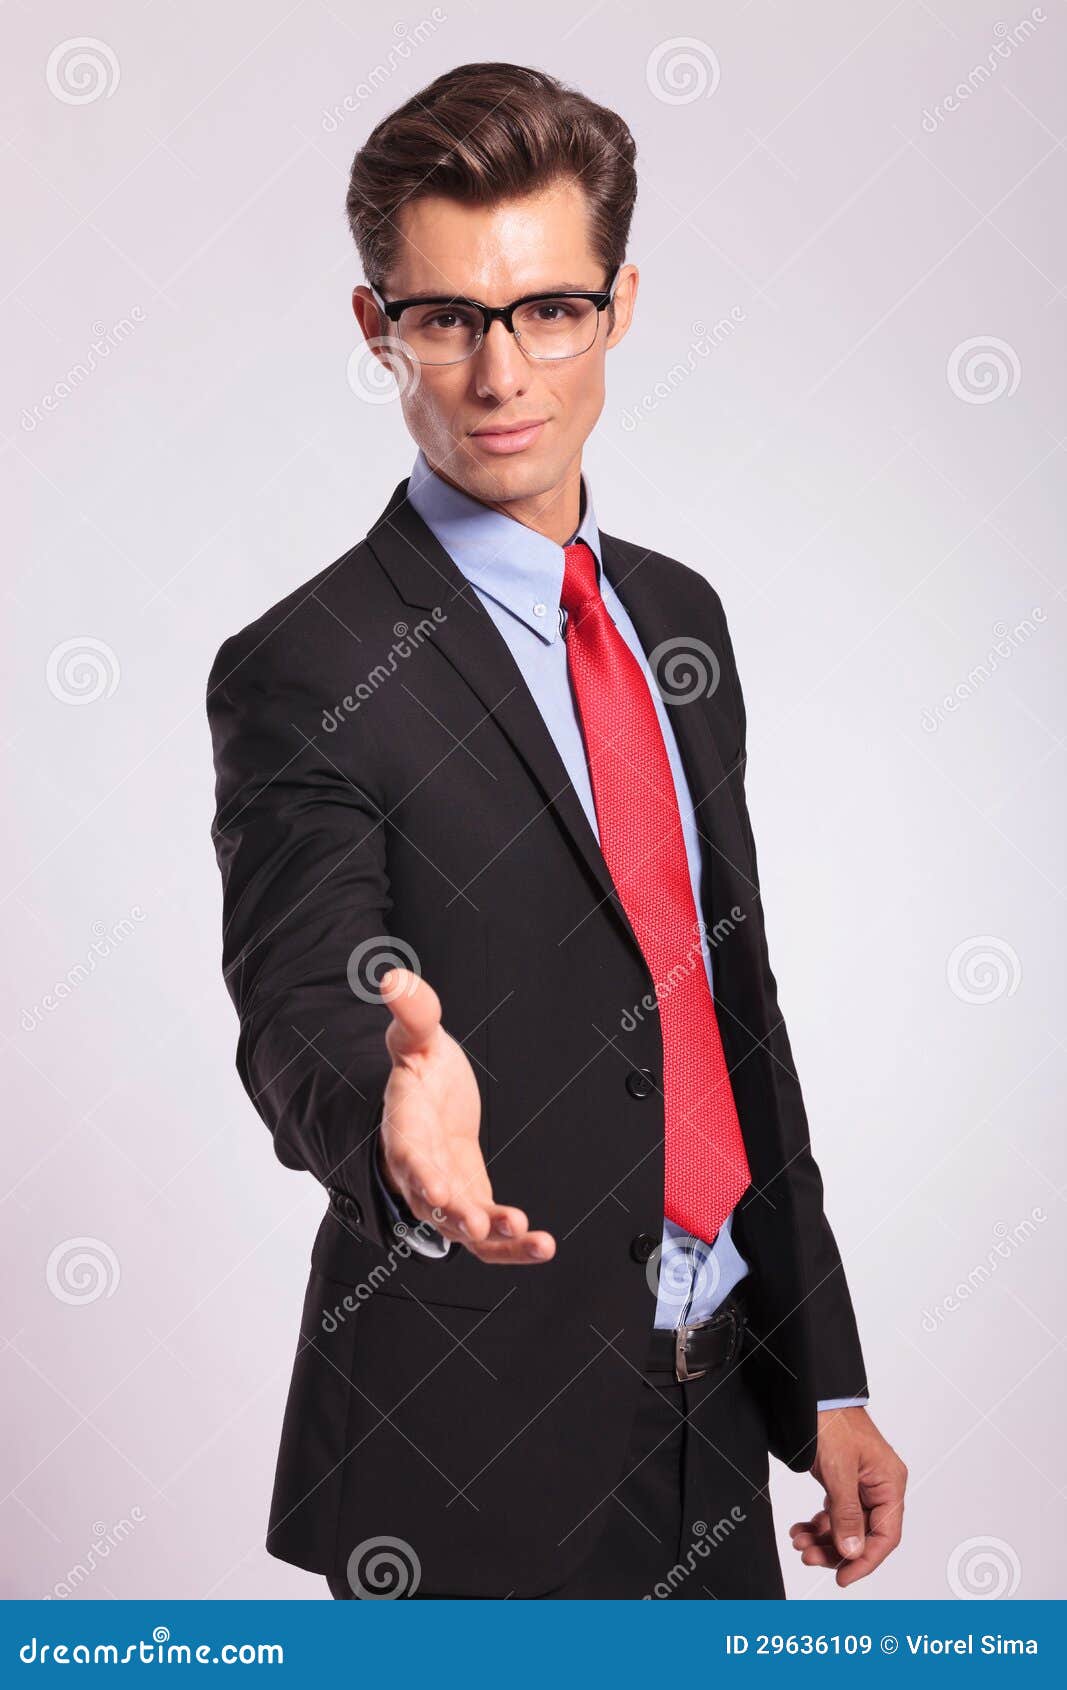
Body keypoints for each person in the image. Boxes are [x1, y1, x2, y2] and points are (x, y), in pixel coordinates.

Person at [206, 61, 906, 1600]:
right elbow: (304, 992)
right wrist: (396, 1135)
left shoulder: (677, 617)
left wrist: (825, 1375)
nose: (501, 372)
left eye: (548, 310)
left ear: (621, 304)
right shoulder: (311, 662)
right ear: (375, 328)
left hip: (711, 1411)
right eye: (445, 317)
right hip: (464, 1443)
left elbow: (726, 1005)